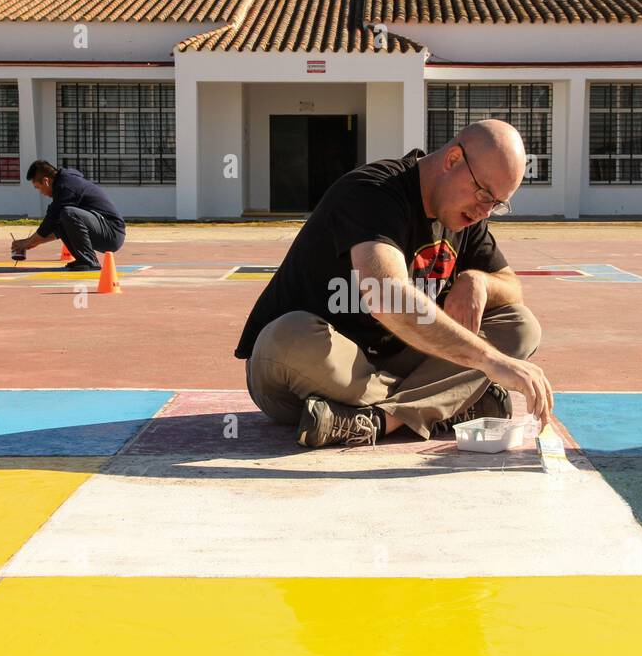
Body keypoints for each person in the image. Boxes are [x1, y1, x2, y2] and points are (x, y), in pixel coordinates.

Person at [235, 119, 553, 448]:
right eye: (484, 193)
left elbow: (512, 286)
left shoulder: (466, 216)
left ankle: (377, 420)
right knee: (287, 337)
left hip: (390, 362)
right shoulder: (373, 192)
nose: (485, 211)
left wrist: (480, 282)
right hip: (317, 366)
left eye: (497, 204)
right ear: (453, 159)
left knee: (520, 325)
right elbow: (386, 298)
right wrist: (489, 362)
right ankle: (441, 404)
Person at [11, 161, 126, 271]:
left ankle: (89, 261)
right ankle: (83, 260)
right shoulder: (64, 183)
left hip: (112, 232)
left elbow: (49, 222)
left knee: (68, 213)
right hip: (103, 230)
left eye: (38, 187)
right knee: (62, 218)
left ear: (46, 181)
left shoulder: (66, 186)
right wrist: (35, 242)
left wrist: (28, 242)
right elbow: (57, 229)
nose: (41, 192)